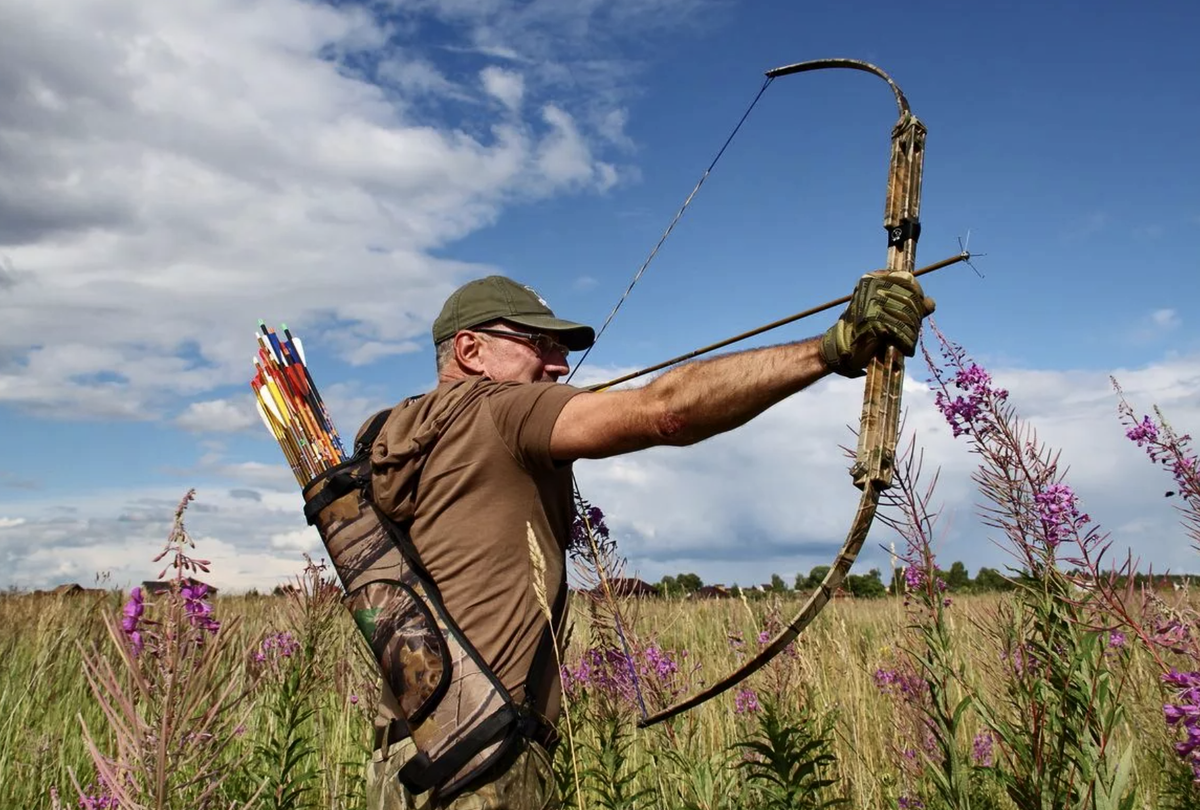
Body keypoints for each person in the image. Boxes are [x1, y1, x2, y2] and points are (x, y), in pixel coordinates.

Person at [364, 271, 934, 809]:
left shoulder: (390, 435)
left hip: (400, 759)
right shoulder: (499, 409)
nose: (560, 365)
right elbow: (667, 413)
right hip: (484, 764)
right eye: (540, 343)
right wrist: (831, 348)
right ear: (470, 351)